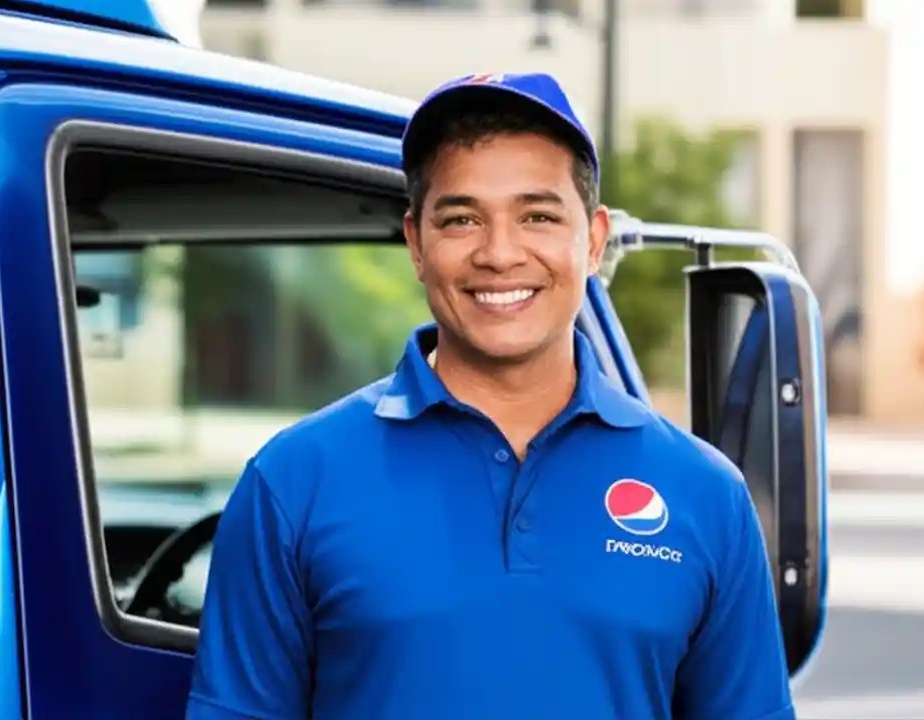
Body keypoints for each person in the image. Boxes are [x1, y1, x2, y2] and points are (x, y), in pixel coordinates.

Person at [186, 72, 795, 720]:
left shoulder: (705, 496)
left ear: (592, 240)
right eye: (462, 219)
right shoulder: (294, 481)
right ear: (417, 243)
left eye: (536, 215)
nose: (499, 253)